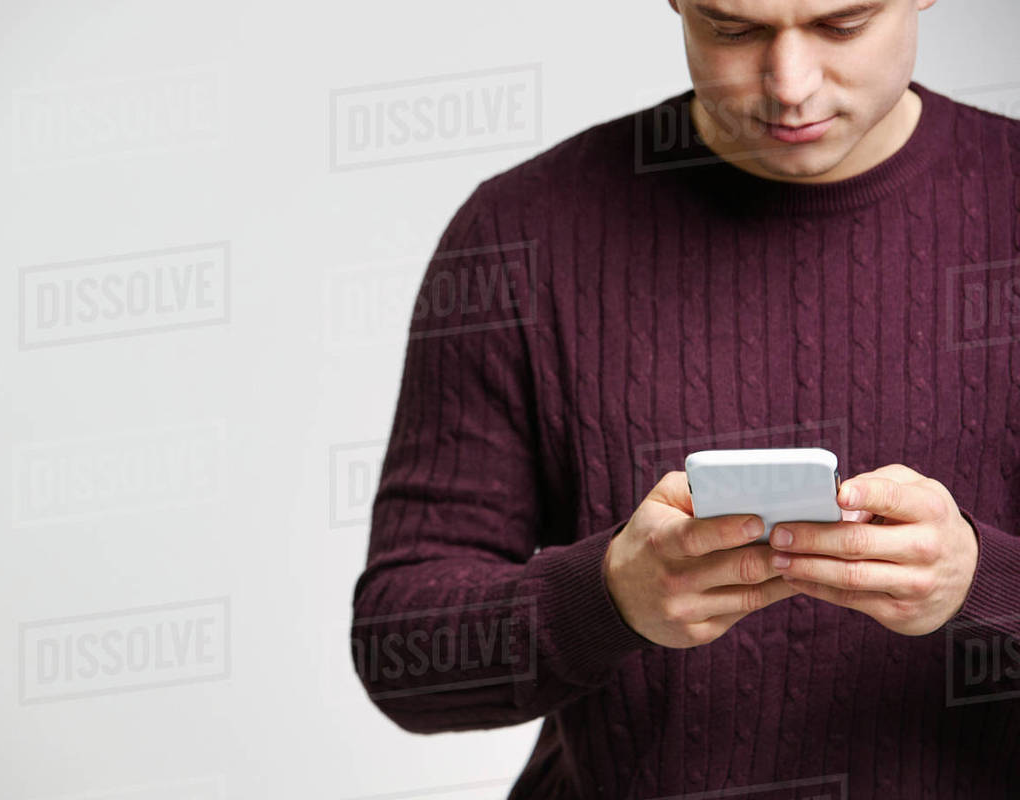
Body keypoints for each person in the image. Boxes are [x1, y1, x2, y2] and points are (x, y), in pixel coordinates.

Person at [350, 1, 1020, 797]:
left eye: (842, 27)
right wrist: (606, 598)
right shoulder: (521, 232)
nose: (790, 87)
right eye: (731, 30)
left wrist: (982, 582)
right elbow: (401, 652)